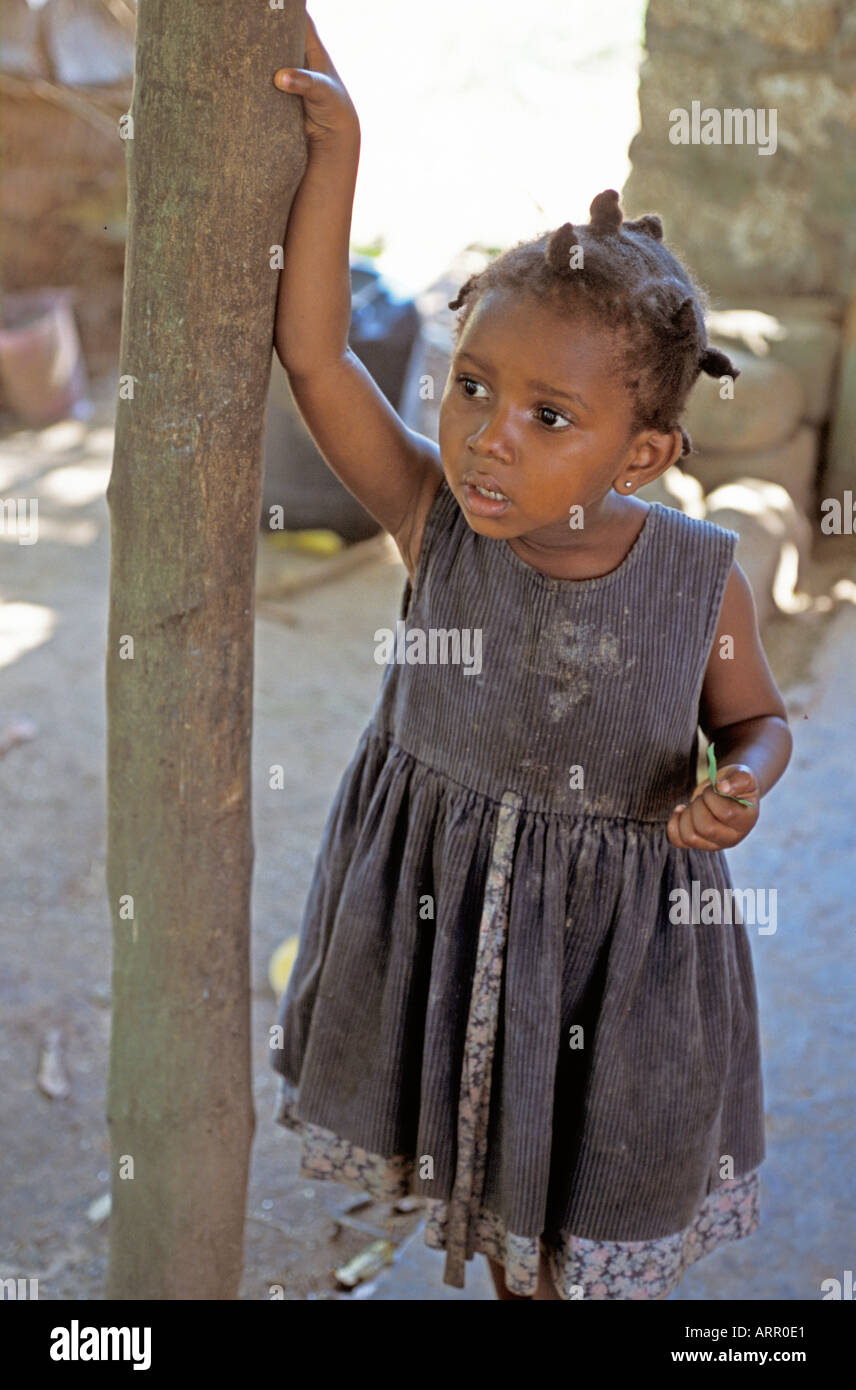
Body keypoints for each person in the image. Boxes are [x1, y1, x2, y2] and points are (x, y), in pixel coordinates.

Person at [267, 13, 792, 1301]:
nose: (490, 437)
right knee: (490, 1205)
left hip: (612, 976)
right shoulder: (433, 516)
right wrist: (343, 152)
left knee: (567, 1239)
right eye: (471, 386)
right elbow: (319, 353)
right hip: (443, 940)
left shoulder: (696, 575)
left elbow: (761, 722)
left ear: (643, 454)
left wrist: (738, 787)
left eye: (549, 416)